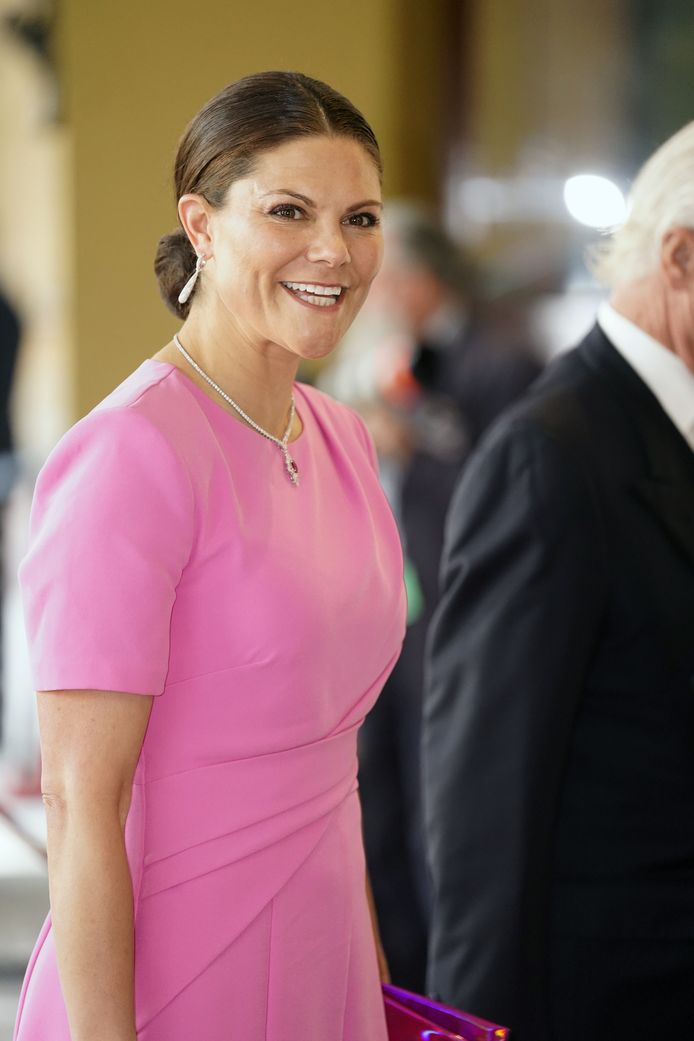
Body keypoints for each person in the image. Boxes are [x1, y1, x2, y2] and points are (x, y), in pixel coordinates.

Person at [12, 71, 406, 1041]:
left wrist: (373, 984)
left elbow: (331, 770)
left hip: (327, 952)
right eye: (288, 211)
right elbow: (79, 800)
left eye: (359, 219)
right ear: (202, 226)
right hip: (174, 971)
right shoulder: (130, 454)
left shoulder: (342, 437)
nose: (333, 251)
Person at [423, 122, 694, 1041]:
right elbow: (483, 817)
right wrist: (474, 1030)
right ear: (681, 257)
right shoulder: (550, 455)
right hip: (608, 999)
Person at [357, 211, 541, 990]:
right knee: (379, 803)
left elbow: (508, 487)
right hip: (386, 613)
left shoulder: (503, 358)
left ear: (421, 279)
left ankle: (447, 992)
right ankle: (395, 983)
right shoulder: (399, 355)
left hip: (453, 613)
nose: (374, 295)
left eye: (385, 277)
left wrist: (410, 443)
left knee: (441, 809)